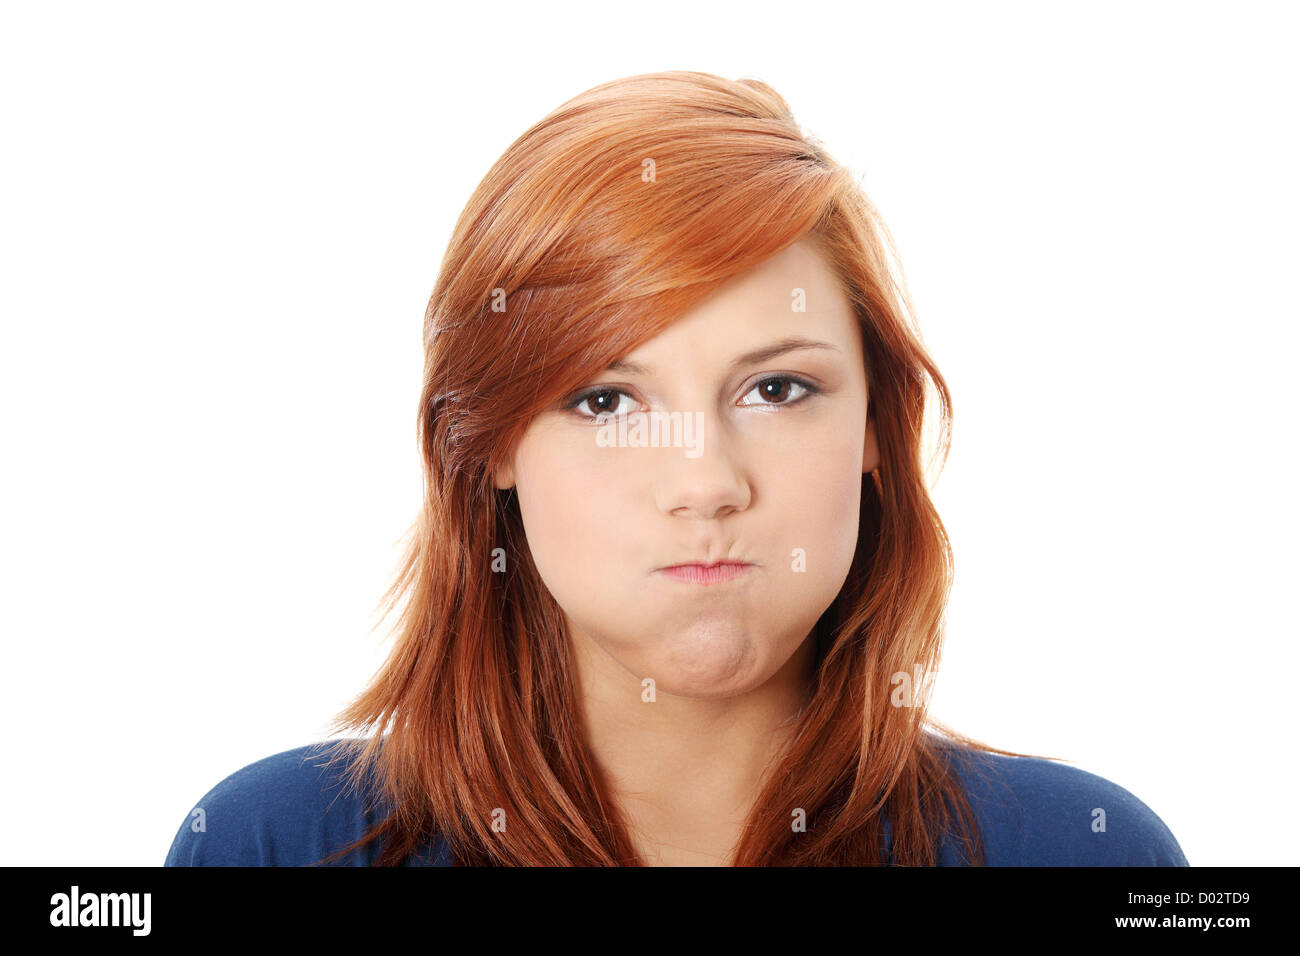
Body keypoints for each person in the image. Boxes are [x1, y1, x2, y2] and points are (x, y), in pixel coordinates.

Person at [166, 70, 1187, 867]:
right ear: (496, 445)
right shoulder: (273, 844)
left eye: (777, 390)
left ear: (876, 424)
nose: (704, 482)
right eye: (607, 400)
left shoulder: (1082, 851)